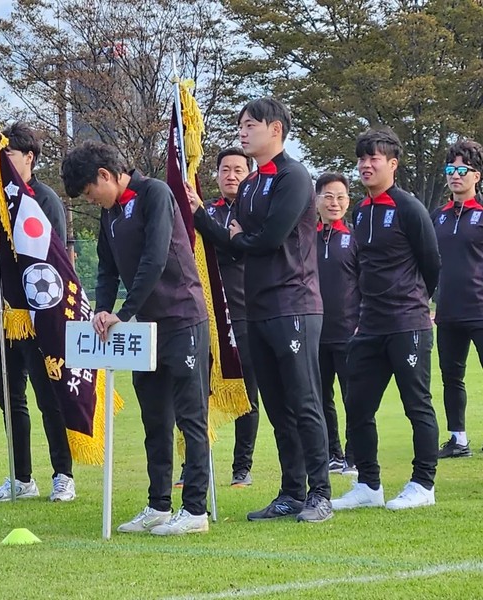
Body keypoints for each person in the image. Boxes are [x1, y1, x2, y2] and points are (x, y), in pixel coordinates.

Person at [61, 140, 211, 536]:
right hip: (145, 330)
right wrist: (102, 310)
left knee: (190, 418)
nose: (92, 201)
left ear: (106, 175)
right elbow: (108, 270)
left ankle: (195, 510)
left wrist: (122, 313)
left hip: (182, 319)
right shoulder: (109, 214)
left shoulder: (154, 194)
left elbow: (155, 259)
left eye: (90, 192)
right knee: (154, 419)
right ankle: (159, 504)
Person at [202, 98, 332, 523]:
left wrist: (242, 237)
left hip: (293, 304)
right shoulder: (252, 184)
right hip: (256, 309)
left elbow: (267, 240)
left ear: (275, 129)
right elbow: (234, 243)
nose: (242, 131)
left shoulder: (294, 177)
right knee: (277, 407)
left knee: (304, 400)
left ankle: (321, 493)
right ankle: (291, 492)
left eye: (250, 125)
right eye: (240, 125)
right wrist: (199, 213)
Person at [332, 127, 441, 512]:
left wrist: (414, 303)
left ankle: (423, 484)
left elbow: (431, 263)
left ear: (392, 164)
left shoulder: (409, 208)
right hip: (369, 326)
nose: (365, 165)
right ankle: (368, 484)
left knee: (417, 406)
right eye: (361, 158)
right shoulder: (360, 211)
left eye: (373, 158)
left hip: (407, 323)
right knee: (358, 405)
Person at [0, 121, 75, 503]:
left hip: (38, 316)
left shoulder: (44, 199)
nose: (1, 163)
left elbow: (52, 255)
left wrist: (10, 239)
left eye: (9, 155)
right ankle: (21, 477)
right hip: (3, 315)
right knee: (10, 397)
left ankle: (63, 475)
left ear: (28, 157)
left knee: (49, 397)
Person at [185, 147, 260, 488]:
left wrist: (203, 219)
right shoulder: (205, 207)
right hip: (204, 313)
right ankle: (193, 463)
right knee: (195, 392)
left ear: (249, 175)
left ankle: (242, 467)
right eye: (225, 169)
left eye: (238, 170)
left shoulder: (253, 210)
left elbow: (234, 249)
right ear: (216, 175)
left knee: (247, 393)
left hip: (243, 313)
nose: (231, 175)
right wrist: (201, 217)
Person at [432, 139, 483, 459]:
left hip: (480, 310)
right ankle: (457, 440)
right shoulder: (437, 217)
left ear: (477, 176)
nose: (455, 175)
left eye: (462, 170)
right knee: (452, 377)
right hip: (448, 312)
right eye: (450, 169)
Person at [314, 172, 360, 476]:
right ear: (316, 200)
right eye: (328, 196)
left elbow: (366, 282)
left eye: (340, 197)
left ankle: (354, 456)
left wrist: (361, 322)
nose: (334, 203)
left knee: (352, 397)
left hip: (349, 332)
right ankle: (333, 453)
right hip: (315, 332)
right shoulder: (306, 237)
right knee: (321, 398)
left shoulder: (354, 238)